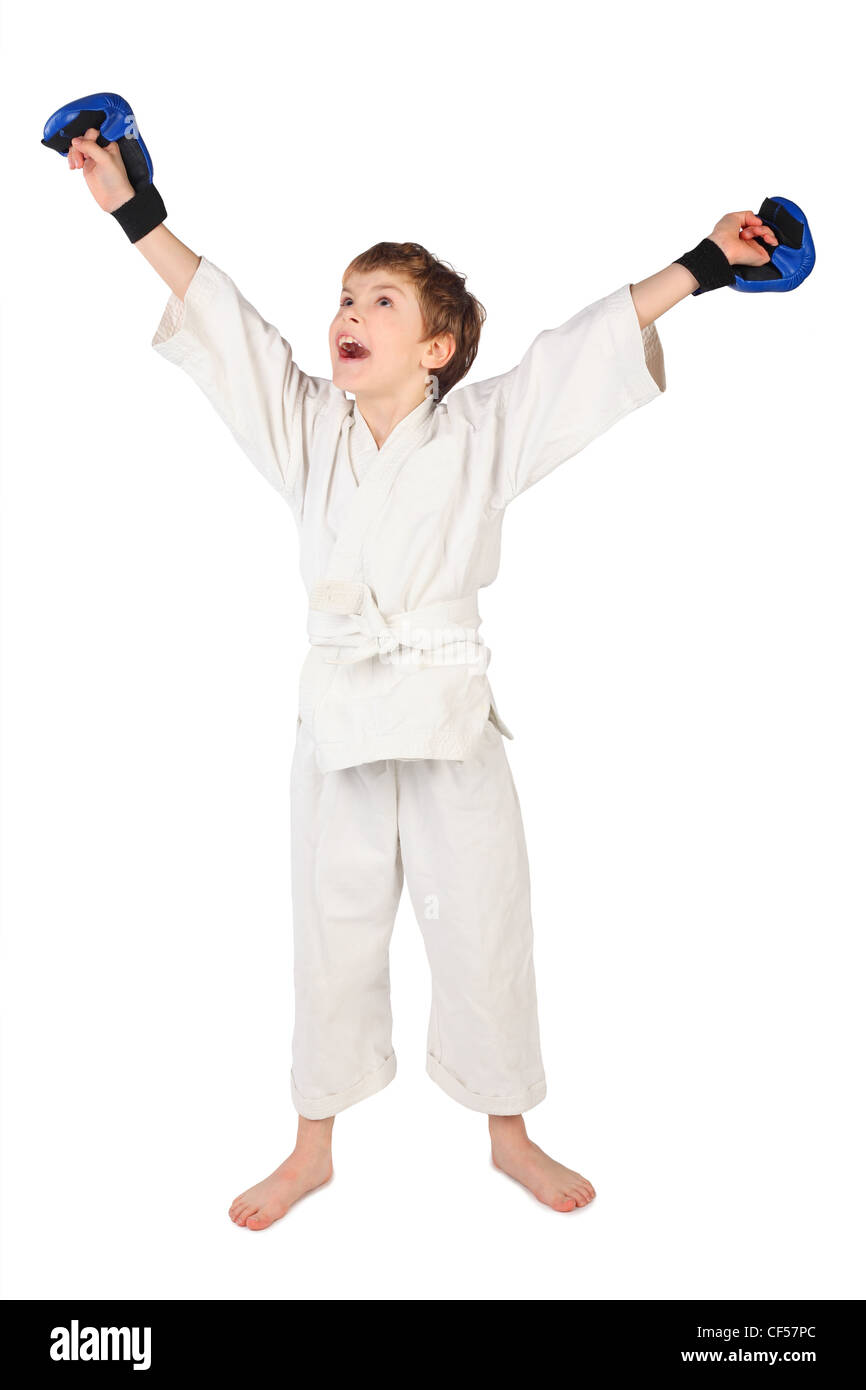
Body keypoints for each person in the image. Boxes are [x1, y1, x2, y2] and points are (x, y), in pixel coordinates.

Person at [66, 127, 779, 1226]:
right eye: (344, 298)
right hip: (340, 719)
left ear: (437, 347)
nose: (347, 315)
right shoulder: (306, 428)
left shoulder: (486, 431)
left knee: (482, 918)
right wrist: (130, 205)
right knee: (329, 924)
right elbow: (228, 325)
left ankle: (507, 1132)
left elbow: (576, 349)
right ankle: (311, 1146)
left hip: (448, 721)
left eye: (382, 302)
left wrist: (702, 260)